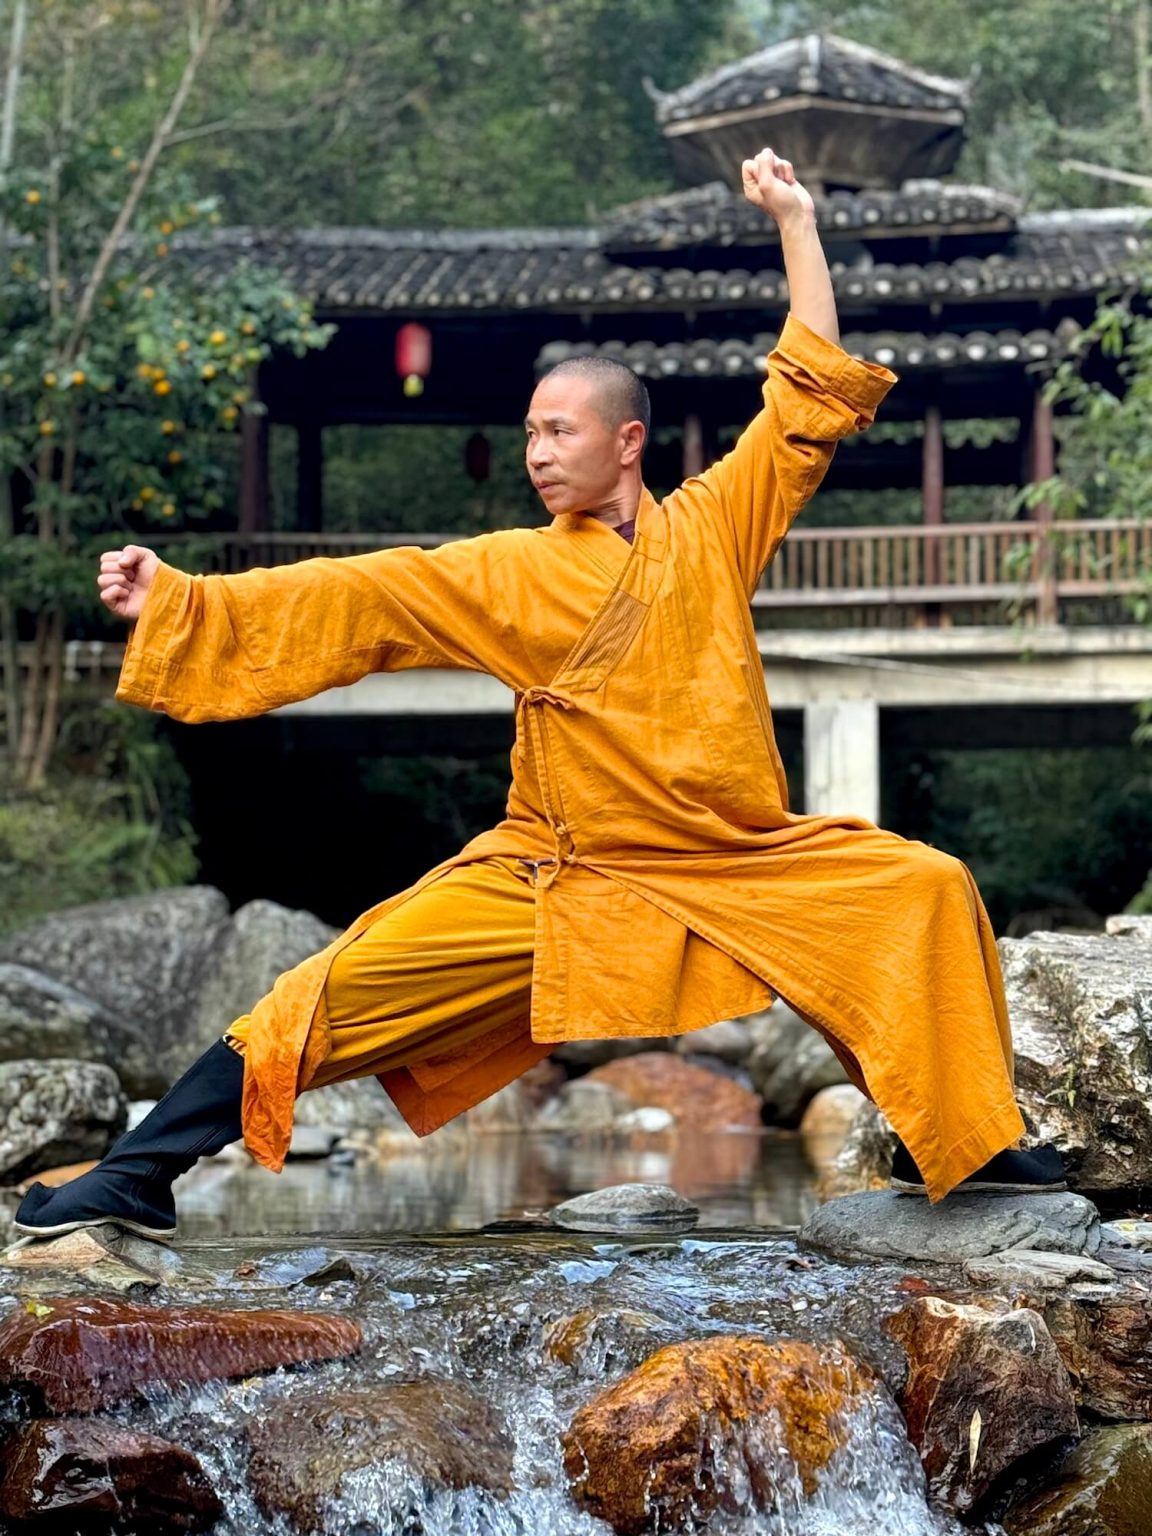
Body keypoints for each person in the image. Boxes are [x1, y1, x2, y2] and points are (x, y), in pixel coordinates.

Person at [15, 148, 1064, 1243]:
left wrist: (796, 224)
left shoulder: (711, 527)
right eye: (527, 434)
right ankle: (139, 1170)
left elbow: (805, 393)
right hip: (558, 875)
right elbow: (361, 594)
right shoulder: (512, 569)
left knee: (920, 886)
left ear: (626, 442)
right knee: (334, 989)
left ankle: (972, 1144)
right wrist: (181, 597)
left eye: (557, 432)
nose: (536, 454)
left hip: (731, 860)